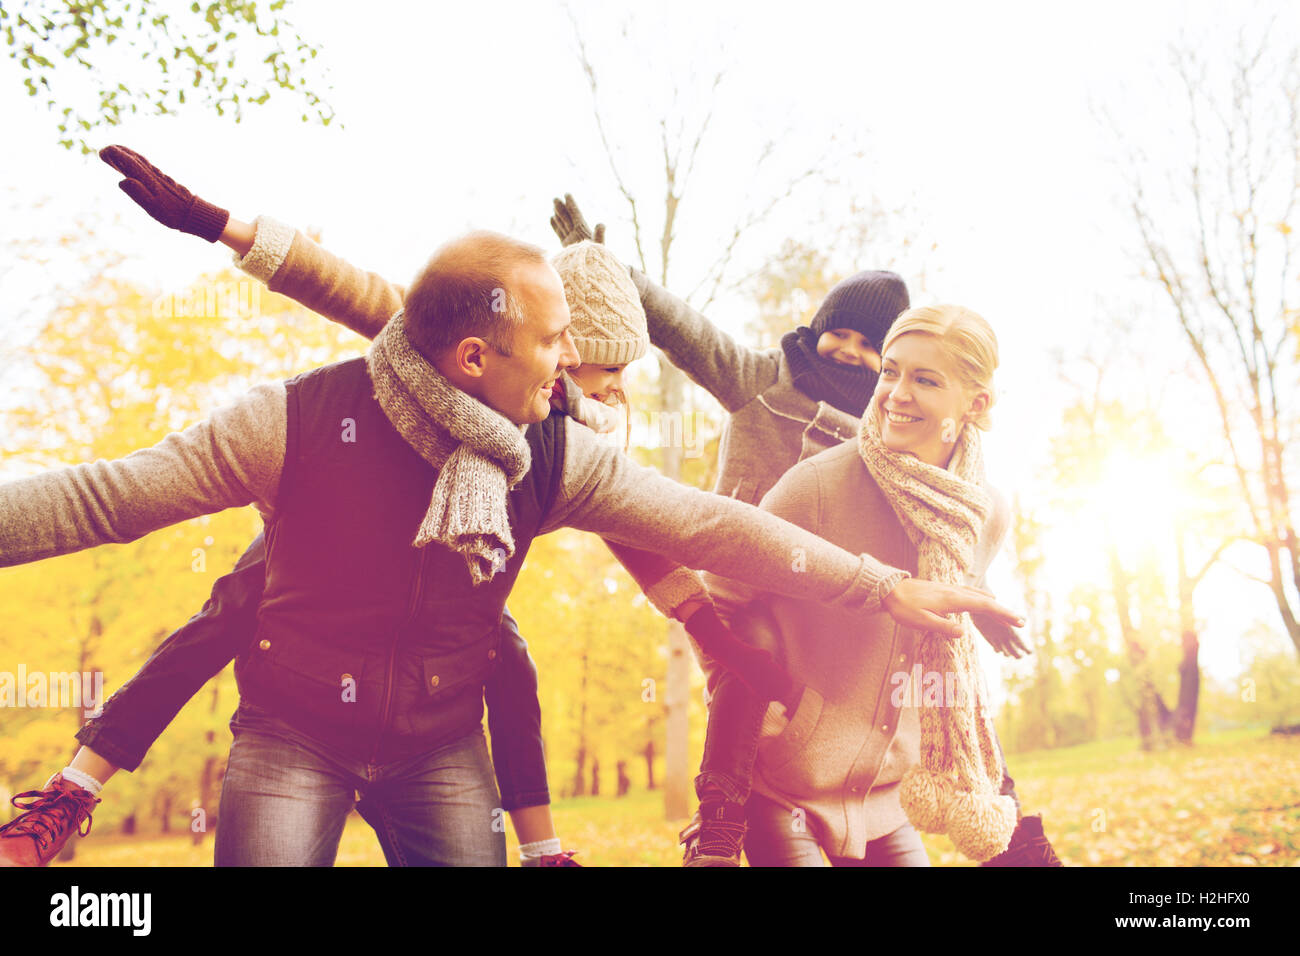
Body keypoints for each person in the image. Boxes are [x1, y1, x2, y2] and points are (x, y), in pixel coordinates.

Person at [0, 170, 1022, 867]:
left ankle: (550, 838)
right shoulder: (343, 392)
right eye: (568, 347)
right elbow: (112, 491)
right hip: (309, 650)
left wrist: (881, 586)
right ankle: (80, 781)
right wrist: (236, 230)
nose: (592, 377)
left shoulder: (559, 443)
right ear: (478, 357)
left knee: (509, 653)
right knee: (239, 596)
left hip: (444, 673)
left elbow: (707, 527)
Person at [549, 196, 1057, 867]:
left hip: (840, 605)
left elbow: (942, 549)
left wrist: (977, 597)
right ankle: (721, 817)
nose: (848, 352)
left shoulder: (916, 462)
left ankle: (1008, 832)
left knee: (948, 674)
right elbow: (685, 330)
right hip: (747, 580)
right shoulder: (766, 383)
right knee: (747, 661)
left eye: (868, 348)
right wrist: (612, 273)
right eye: (835, 333)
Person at [705, 303, 1054, 865]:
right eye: (890, 371)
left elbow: (949, 631)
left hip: (886, 799)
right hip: (784, 789)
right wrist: (769, 711)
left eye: (924, 379)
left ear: (977, 403)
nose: (895, 393)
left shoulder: (985, 511)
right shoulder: (816, 486)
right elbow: (721, 594)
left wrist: (983, 603)